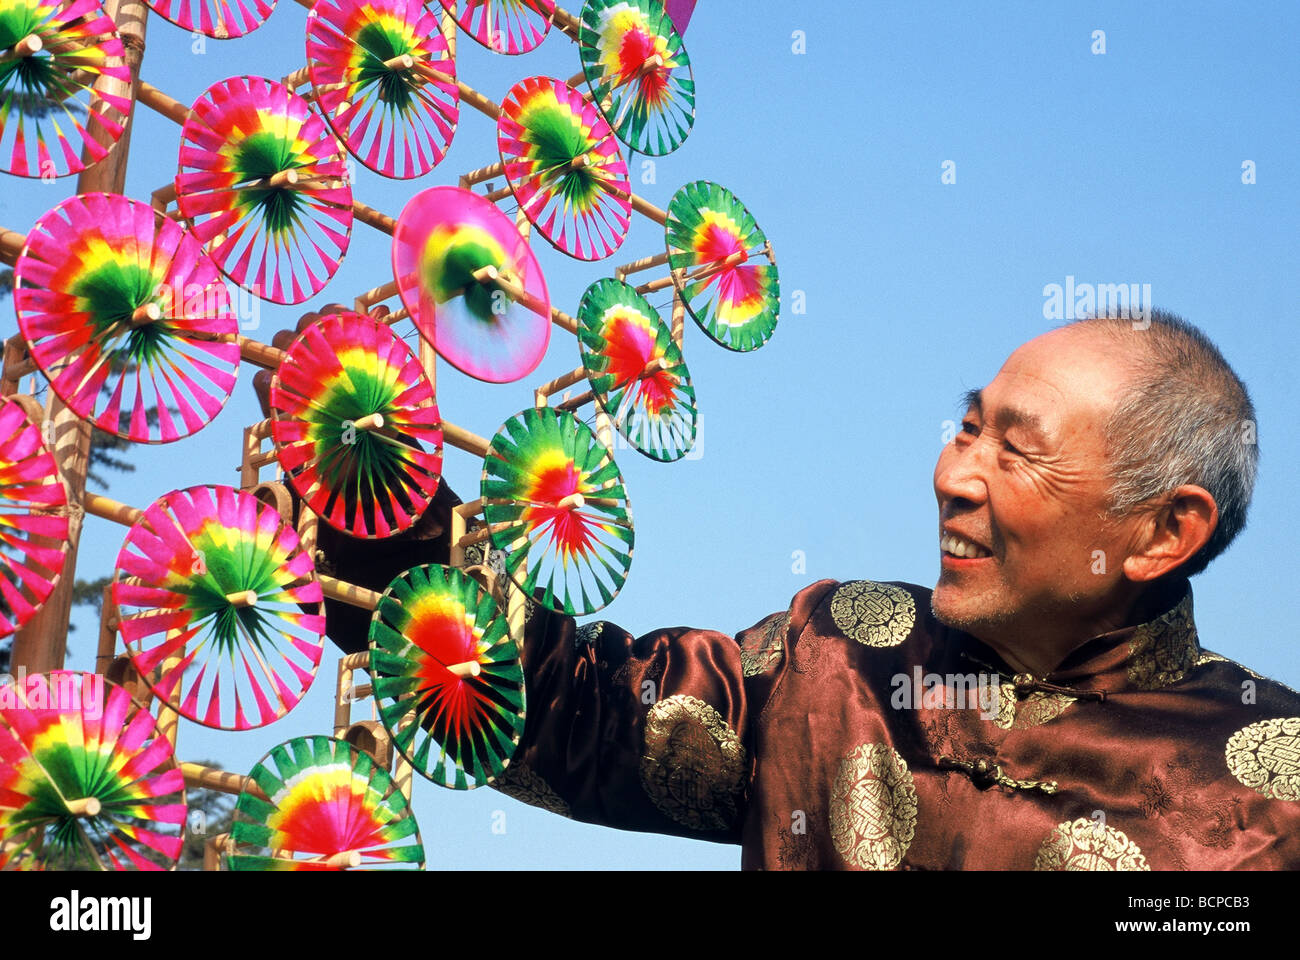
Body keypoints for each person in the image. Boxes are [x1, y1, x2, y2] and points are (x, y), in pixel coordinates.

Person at [258, 306, 1300, 870]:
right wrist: (370, 485)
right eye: (967, 426)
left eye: (1016, 453)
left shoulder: (1273, 793)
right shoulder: (840, 650)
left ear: (1166, 530)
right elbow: (572, 710)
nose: (952, 475)